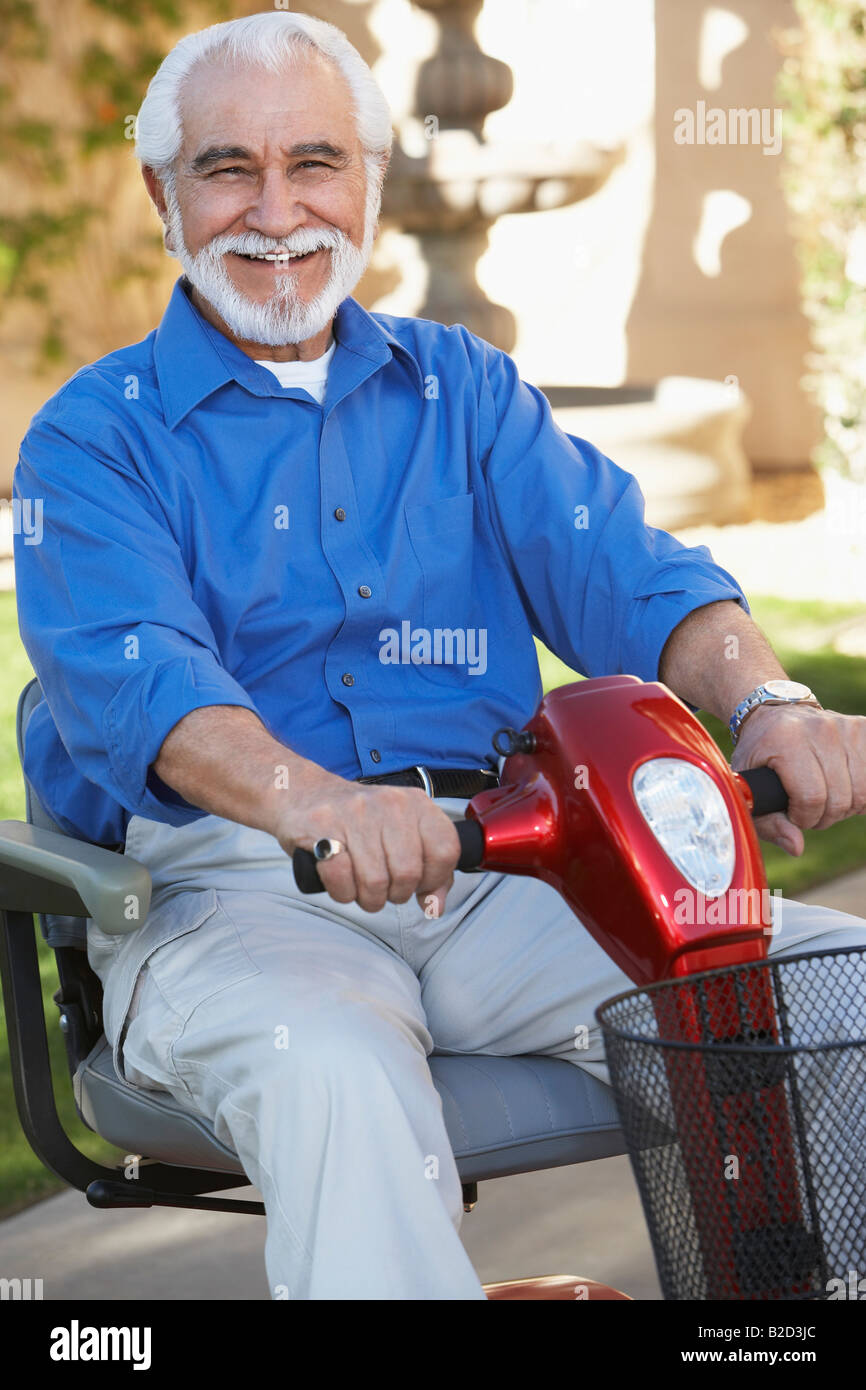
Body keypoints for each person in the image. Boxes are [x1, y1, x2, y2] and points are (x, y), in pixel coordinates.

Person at [13, 11, 866, 1300]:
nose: (277, 209)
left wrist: (771, 701)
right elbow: (149, 685)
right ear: (161, 193)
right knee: (334, 1065)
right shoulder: (92, 443)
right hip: (232, 894)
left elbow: (631, 571)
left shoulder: (462, 388)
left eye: (314, 162)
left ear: (368, 179)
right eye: (227, 167)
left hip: (505, 875)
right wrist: (326, 804)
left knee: (834, 1000)